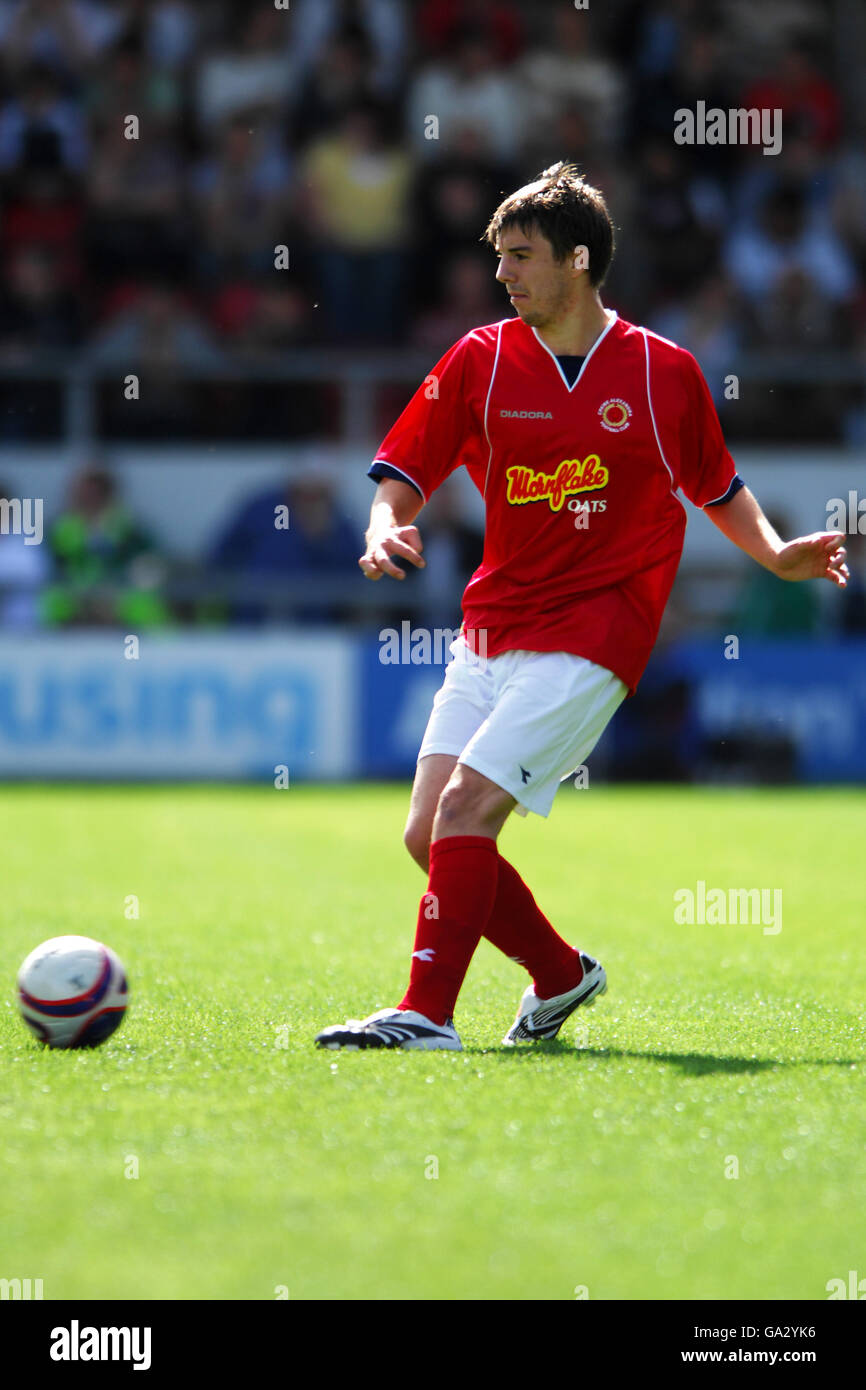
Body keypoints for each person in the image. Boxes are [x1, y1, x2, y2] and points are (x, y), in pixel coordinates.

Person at [315, 162, 848, 1052]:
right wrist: (380, 527)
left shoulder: (660, 370)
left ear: (578, 260)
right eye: (499, 258)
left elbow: (719, 486)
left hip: (595, 631)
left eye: (520, 257)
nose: (503, 275)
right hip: (494, 625)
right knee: (427, 833)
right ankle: (562, 977)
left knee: (465, 814)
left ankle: (426, 1015)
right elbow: (404, 470)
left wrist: (774, 554)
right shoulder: (479, 360)